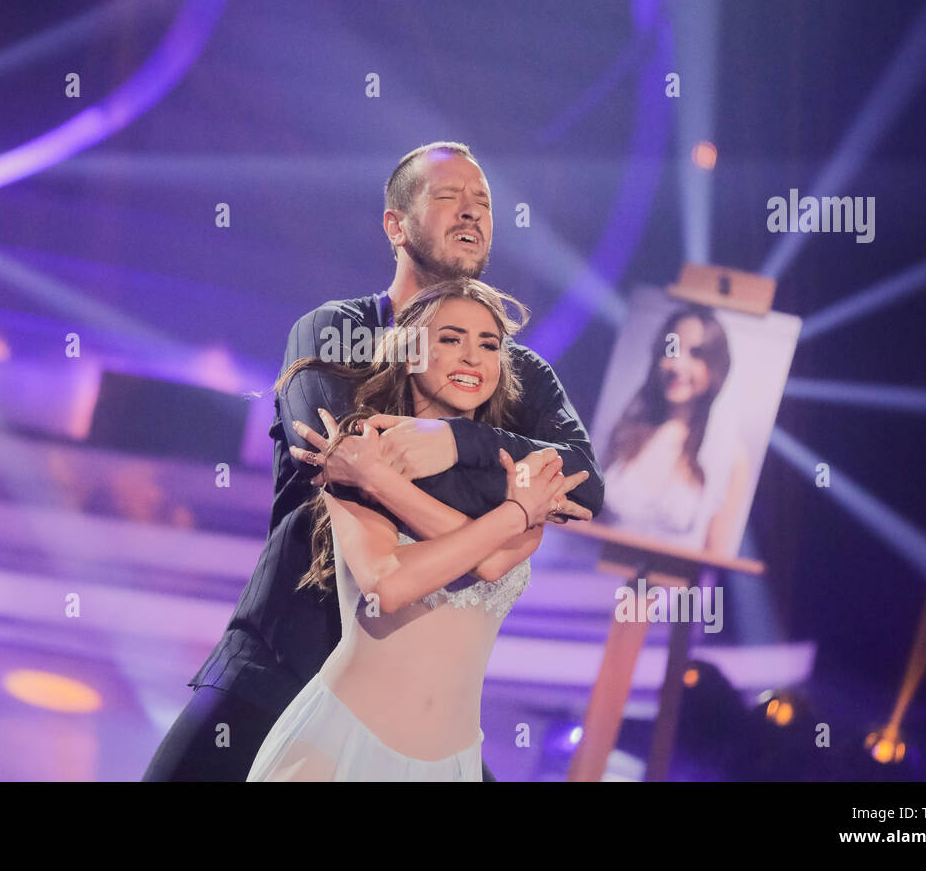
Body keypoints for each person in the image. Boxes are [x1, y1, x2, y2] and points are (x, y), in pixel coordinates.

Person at [140, 141, 604, 782]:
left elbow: (583, 480)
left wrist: (454, 445)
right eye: (448, 197)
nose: (471, 213)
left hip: (420, 701)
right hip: (288, 659)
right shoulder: (337, 330)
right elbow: (341, 457)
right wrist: (511, 500)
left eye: (484, 204)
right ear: (396, 224)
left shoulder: (512, 371)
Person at [247, 278, 584, 780]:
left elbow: (492, 561)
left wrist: (382, 484)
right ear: (407, 352)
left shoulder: (511, 470)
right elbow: (390, 581)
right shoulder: (360, 448)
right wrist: (512, 515)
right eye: (451, 339)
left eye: (489, 344)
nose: (473, 356)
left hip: (452, 764)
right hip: (341, 747)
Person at [598, 304, 748, 557]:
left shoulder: (730, 457)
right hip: (593, 585)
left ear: (717, 368)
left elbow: (715, 559)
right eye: (671, 350)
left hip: (670, 594)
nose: (677, 364)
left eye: (696, 353)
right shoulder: (626, 430)